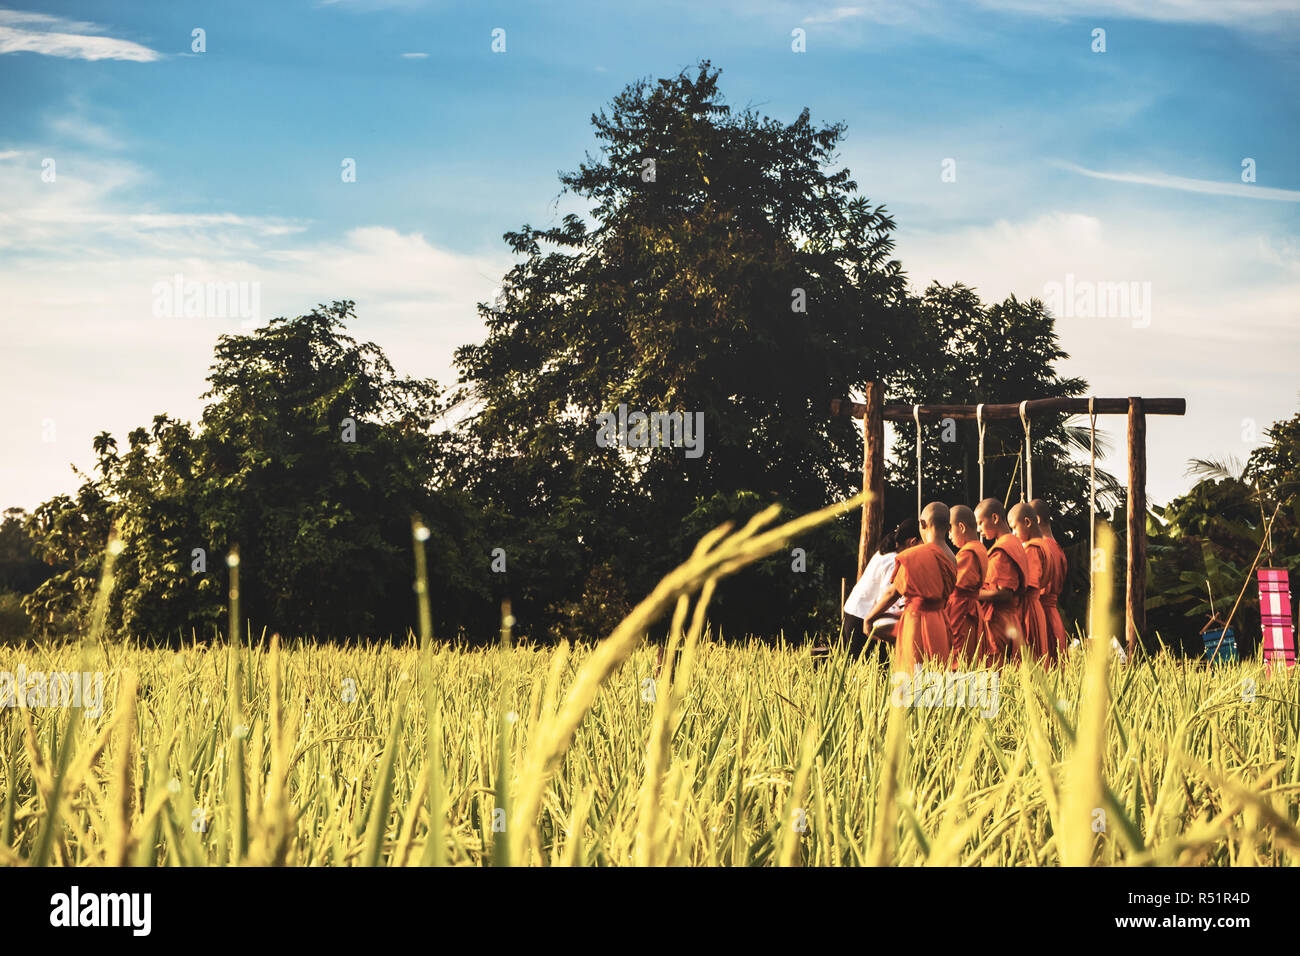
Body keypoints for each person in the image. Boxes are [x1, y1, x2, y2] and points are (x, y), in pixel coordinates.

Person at [864, 503, 957, 672]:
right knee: (936, 674)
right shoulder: (952, 558)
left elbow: (893, 592)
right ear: (949, 527)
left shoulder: (913, 555)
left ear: (922, 524)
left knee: (912, 675)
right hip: (940, 623)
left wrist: (870, 618)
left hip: (916, 622)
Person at [842, 518, 919, 653]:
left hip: (857, 613)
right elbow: (888, 595)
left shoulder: (887, 552)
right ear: (913, 542)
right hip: (862, 618)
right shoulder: (894, 560)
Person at [974, 497, 1031, 662]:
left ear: (995, 518)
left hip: (999, 620)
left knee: (995, 675)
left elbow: (1005, 593)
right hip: (1008, 618)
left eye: (980, 523)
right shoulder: (1013, 543)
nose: (979, 529)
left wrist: (971, 593)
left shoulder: (1003, 548)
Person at [945, 504, 988, 667]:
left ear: (961, 527)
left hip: (961, 610)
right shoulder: (979, 548)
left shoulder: (968, 552)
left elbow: (953, 586)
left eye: (950, 529)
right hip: (969, 609)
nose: (948, 535)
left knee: (958, 660)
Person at [1009, 502, 1051, 664]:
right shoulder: (1043, 545)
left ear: (1027, 523)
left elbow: (1028, 584)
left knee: (1029, 661)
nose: (1013, 533)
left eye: (1014, 528)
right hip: (1033, 607)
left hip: (1028, 610)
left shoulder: (1033, 549)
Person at [1030, 498, 1071, 660]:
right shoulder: (1057, 548)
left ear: (1036, 520)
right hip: (1053, 616)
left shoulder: (1040, 548)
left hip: (1039, 616)